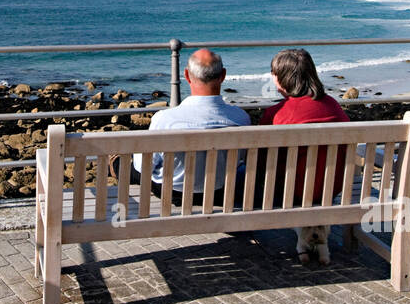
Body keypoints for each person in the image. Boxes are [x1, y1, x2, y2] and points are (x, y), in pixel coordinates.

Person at [134, 48, 249, 207]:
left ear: (187, 76)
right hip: (220, 191)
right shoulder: (241, 118)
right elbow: (240, 160)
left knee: (125, 165)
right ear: (223, 76)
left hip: (173, 192)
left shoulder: (165, 120)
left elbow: (144, 166)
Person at [256, 48, 350, 207]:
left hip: (287, 195)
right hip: (329, 190)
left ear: (283, 78)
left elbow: (261, 162)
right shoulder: (334, 106)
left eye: (274, 73)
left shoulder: (276, 115)